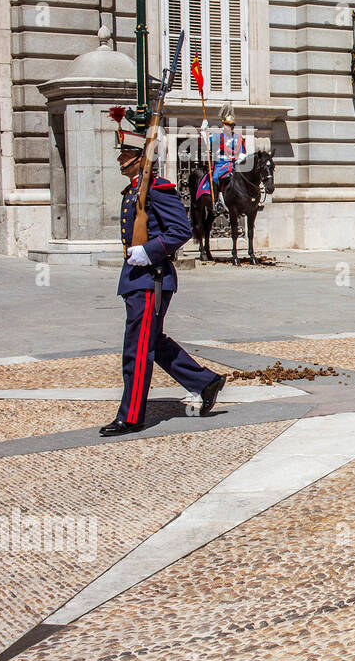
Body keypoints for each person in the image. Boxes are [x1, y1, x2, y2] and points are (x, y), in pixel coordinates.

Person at [101, 133, 227, 436]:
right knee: (151, 341)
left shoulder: (158, 189)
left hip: (152, 279)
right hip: (137, 278)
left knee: (137, 347)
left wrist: (149, 251)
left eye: (125, 154)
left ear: (140, 159)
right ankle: (203, 381)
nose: (119, 160)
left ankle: (131, 416)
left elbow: (180, 230)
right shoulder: (133, 191)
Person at [196, 109, 247, 216]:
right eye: (228, 125)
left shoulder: (238, 137)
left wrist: (240, 161)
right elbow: (206, 144)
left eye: (232, 125)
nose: (231, 127)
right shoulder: (217, 136)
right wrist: (204, 129)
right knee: (215, 178)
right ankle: (216, 202)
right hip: (221, 164)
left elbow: (242, 153)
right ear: (224, 125)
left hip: (234, 164)